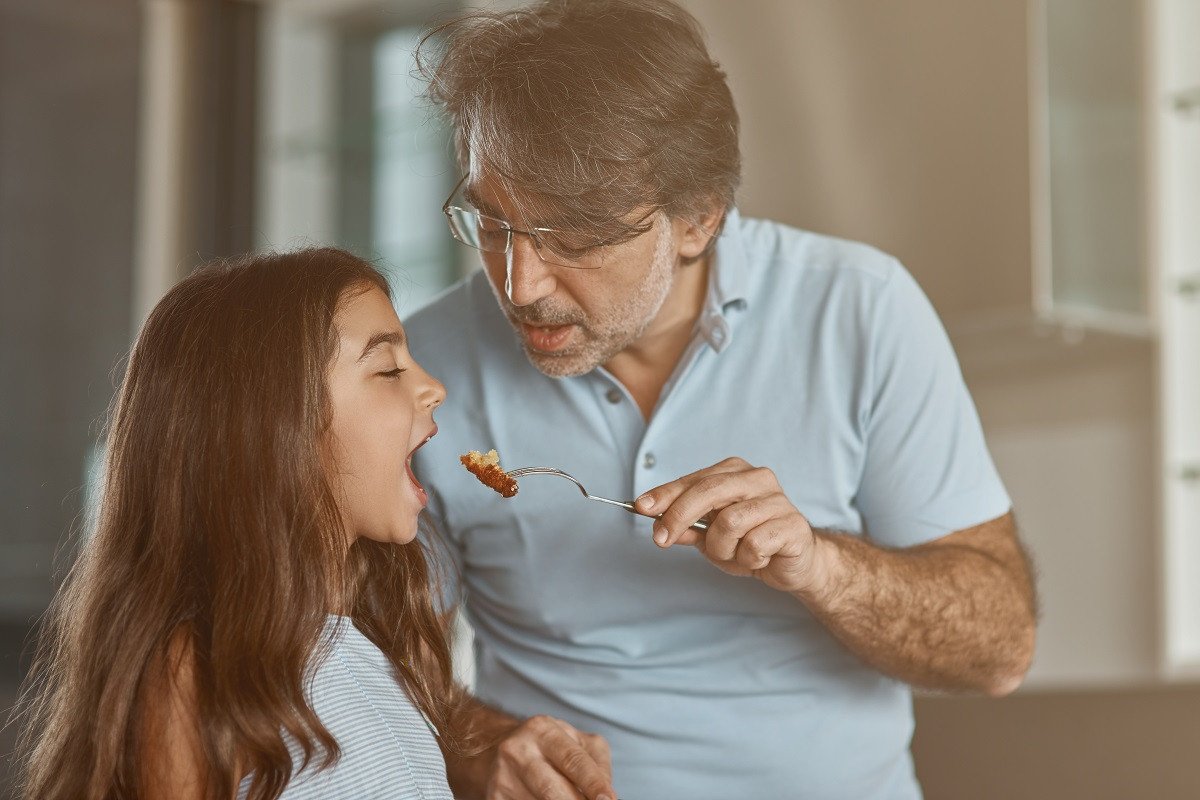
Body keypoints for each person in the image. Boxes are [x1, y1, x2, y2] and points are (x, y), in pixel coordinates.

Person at [405, 1, 1039, 799]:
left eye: (575, 236)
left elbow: (999, 648)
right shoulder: (420, 363)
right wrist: (474, 741)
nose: (519, 285)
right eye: (492, 224)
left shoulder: (861, 309)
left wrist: (822, 565)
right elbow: (357, 649)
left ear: (698, 217)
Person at [13, 248, 465, 800]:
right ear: (278, 428)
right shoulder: (195, 679)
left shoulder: (382, 656)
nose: (432, 387)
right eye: (388, 368)